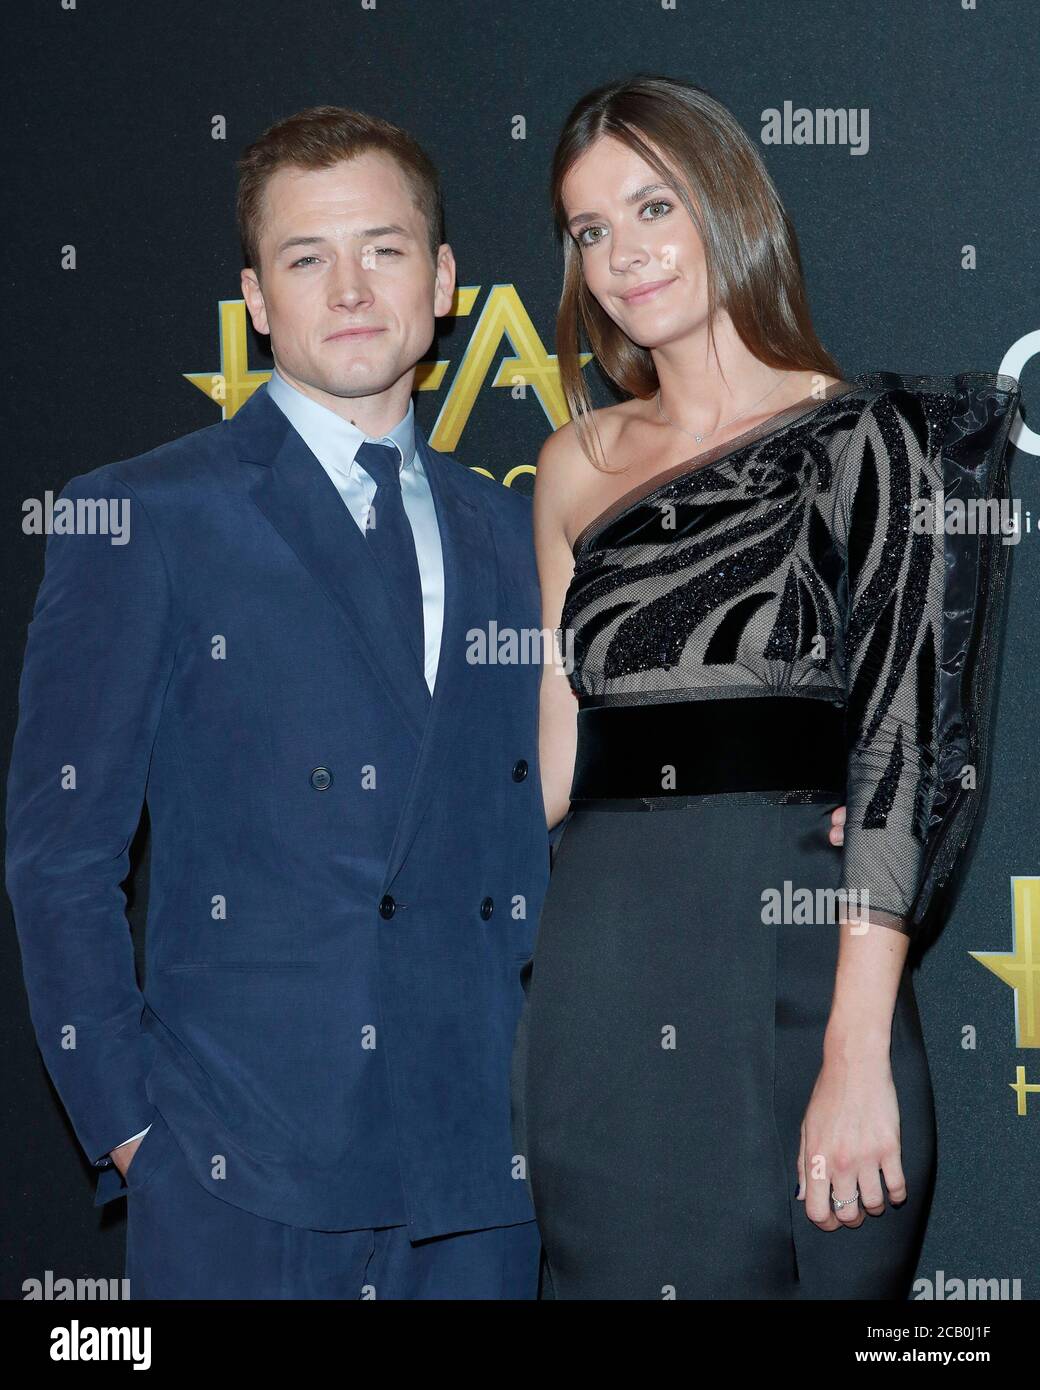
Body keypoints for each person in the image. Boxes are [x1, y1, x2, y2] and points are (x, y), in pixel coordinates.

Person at [6, 105, 549, 1299]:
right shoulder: (141, 516)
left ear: (442, 279)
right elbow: (60, 855)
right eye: (307, 259)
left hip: (478, 1177)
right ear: (255, 298)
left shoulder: (517, 531)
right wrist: (136, 1136)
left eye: (383, 249)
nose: (349, 289)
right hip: (237, 1174)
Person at [510, 76, 1021, 1300]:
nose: (623, 255)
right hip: (603, 973)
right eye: (590, 231)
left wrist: (852, 1054)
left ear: (728, 204)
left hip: (798, 967)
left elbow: (900, 750)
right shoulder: (572, 462)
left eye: (653, 206)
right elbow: (549, 765)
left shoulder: (868, 440)